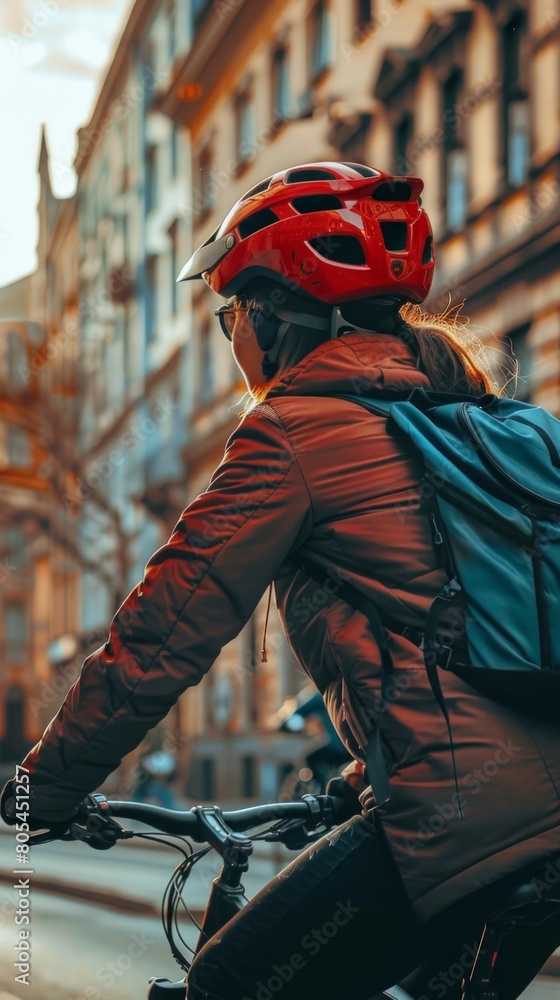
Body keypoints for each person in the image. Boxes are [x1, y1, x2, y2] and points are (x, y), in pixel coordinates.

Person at [2, 161, 560, 1000]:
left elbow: (162, 634)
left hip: (471, 823)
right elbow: (449, 643)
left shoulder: (291, 435)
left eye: (230, 314)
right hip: (533, 818)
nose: (230, 335)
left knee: (230, 981)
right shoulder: (467, 418)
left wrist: (36, 791)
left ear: (269, 316)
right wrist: (360, 780)